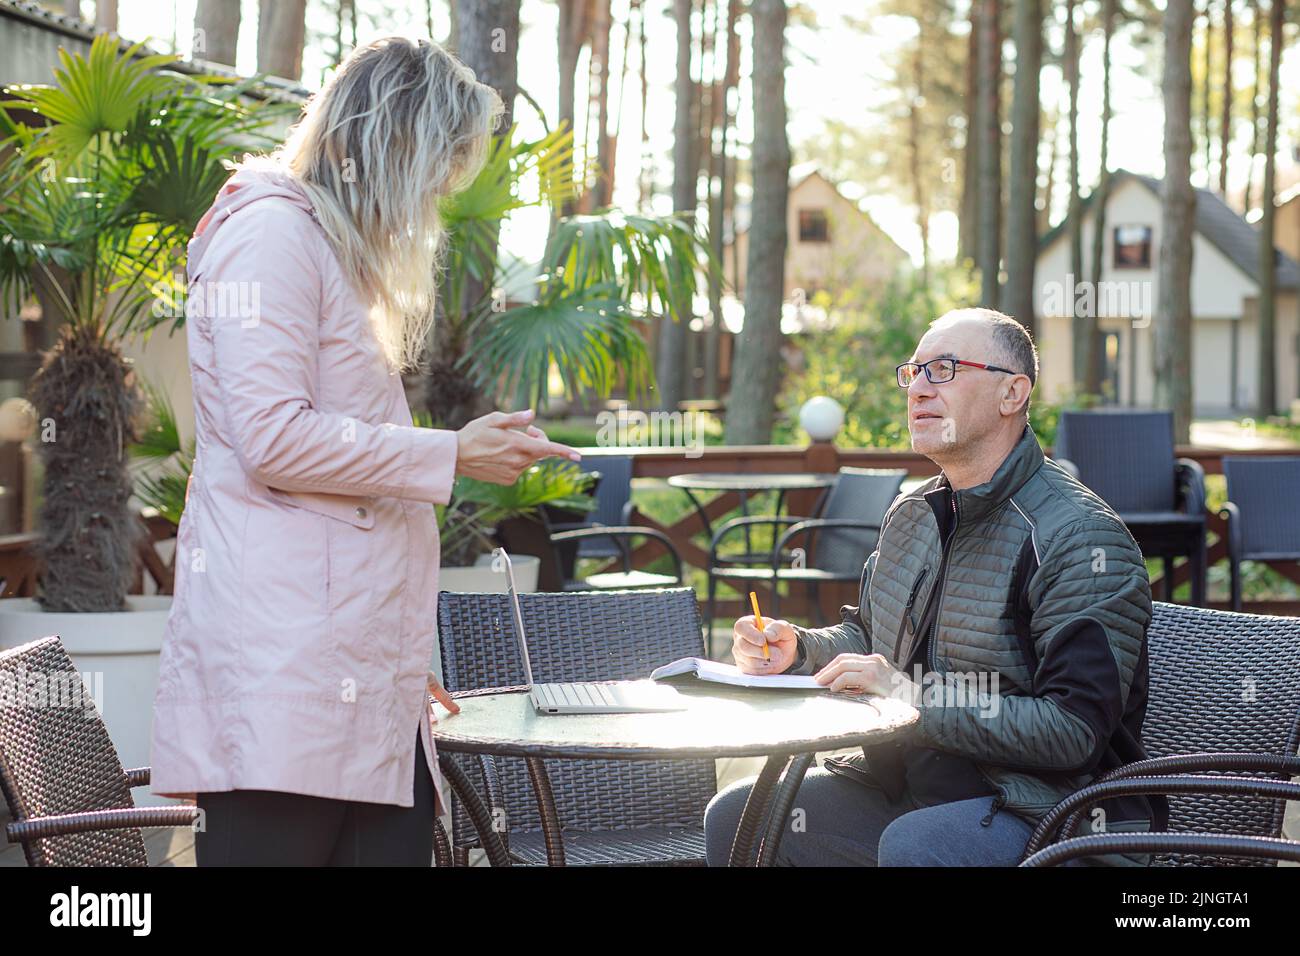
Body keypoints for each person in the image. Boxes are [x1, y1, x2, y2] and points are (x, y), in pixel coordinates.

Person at [150, 37, 579, 866]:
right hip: (284, 685)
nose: (437, 198)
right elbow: (273, 437)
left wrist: (383, 664)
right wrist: (449, 454)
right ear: (387, 145)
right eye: (438, 168)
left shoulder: (323, 249)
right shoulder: (270, 237)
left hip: (347, 683)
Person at [705, 307, 1168, 866]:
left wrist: (909, 698)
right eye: (913, 371)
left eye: (944, 369)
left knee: (917, 845)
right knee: (738, 816)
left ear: (1012, 393)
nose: (918, 388)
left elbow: (1072, 732)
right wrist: (799, 651)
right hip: (907, 792)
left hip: (1049, 815)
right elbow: (870, 641)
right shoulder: (911, 514)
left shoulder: (1079, 537)